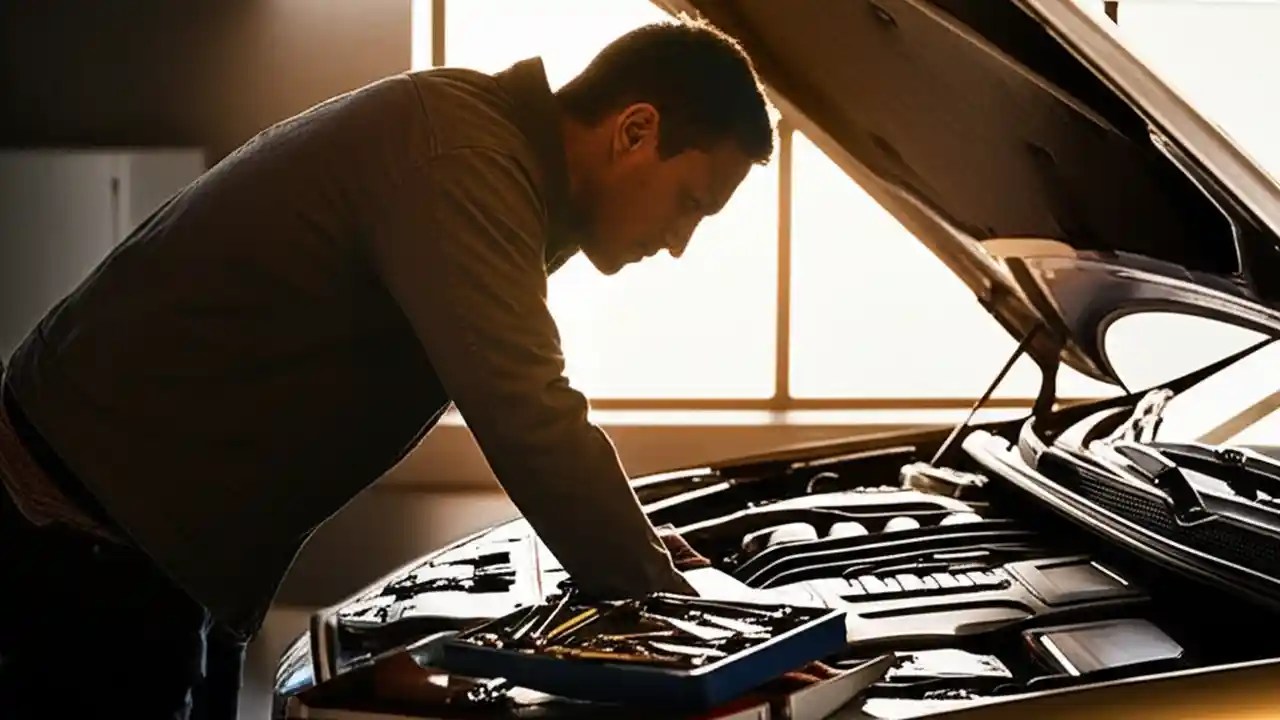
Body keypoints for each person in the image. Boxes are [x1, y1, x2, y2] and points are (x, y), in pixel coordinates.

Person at [0, 16, 774, 720]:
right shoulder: (464, 163)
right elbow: (528, 413)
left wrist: (635, 546)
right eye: (692, 204)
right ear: (635, 130)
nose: (680, 242)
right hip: (79, 528)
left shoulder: (490, 156)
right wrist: (694, 619)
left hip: (153, 542)